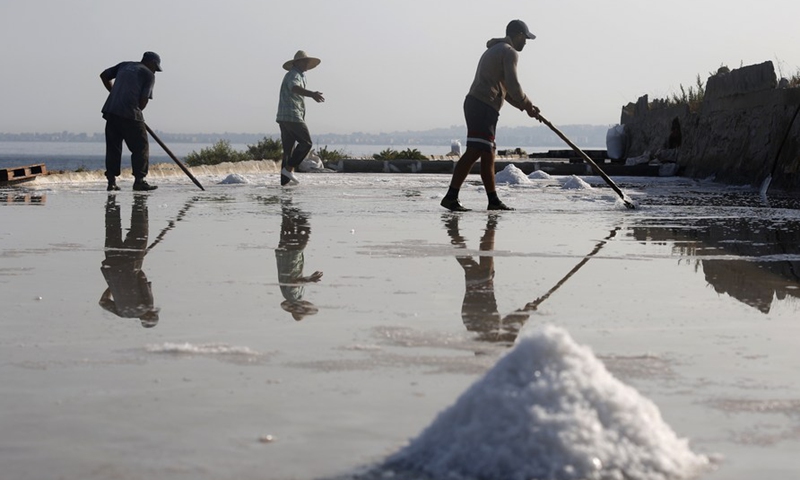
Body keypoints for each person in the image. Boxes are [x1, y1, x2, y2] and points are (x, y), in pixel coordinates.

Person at [441, 20, 541, 212]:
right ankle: (451, 196)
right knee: (474, 151)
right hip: (483, 105)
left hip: (480, 104)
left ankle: (493, 200)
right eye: (525, 38)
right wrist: (526, 102)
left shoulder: (497, 50)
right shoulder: (509, 51)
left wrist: (526, 107)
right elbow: (514, 85)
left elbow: (507, 91)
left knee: (488, 154)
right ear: (518, 34)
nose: (526, 43)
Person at [100, 51, 162, 192]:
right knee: (141, 147)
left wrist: (114, 93)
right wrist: (136, 111)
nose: (155, 71)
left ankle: (111, 182)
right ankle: (139, 181)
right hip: (130, 114)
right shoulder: (148, 74)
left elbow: (104, 75)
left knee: (113, 148)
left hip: (111, 111)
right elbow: (143, 100)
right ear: (151, 62)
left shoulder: (124, 65)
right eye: (155, 68)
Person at [99, 194, 160, 328]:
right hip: (112, 265)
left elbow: (142, 278)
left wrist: (139, 261)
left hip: (131, 261)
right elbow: (103, 302)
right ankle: (112, 200)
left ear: (149, 315)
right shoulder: (123, 313)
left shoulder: (147, 306)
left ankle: (139, 202)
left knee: (139, 228)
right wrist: (113, 285)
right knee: (112, 228)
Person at [276, 50, 325, 186]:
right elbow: (294, 88)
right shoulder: (294, 74)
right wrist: (312, 94)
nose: (307, 64)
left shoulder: (299, 75)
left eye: (307, 62)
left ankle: (284, 182)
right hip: (292, 115)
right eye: (305, 61)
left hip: (283, 117)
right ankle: (289, 169)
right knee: (306, 143)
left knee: (288, 150)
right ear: (297, 62)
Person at [275, 199, 323, 320]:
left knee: (303, 234)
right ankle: (287, 200)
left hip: (289, 257)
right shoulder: (296, 296)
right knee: (288, 227)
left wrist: (310, 279)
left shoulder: (292, 296)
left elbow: (293, 281)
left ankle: (290, 206)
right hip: (286, 256)